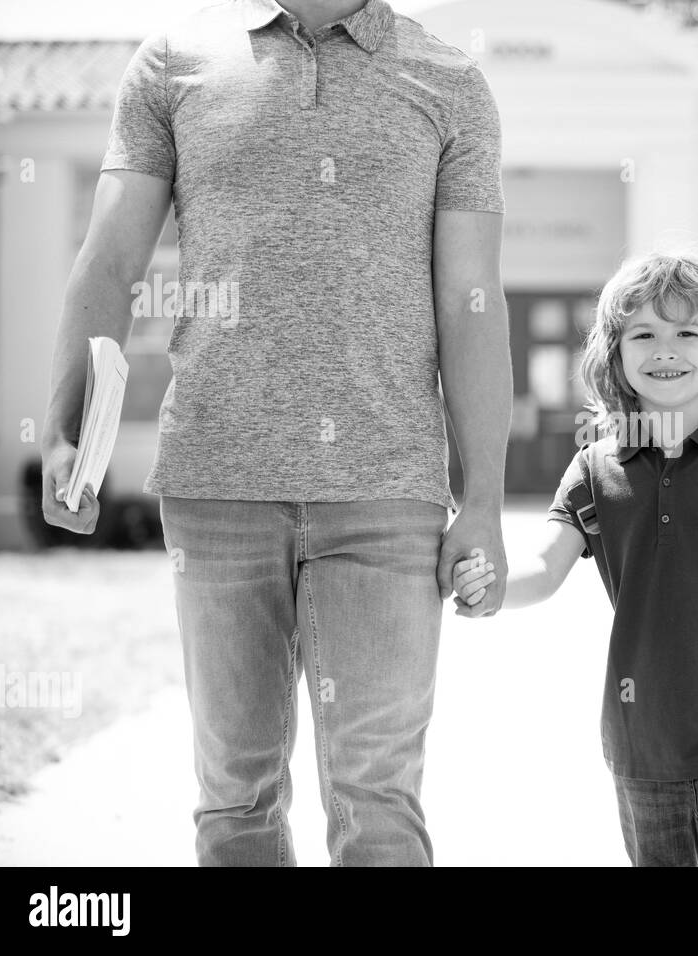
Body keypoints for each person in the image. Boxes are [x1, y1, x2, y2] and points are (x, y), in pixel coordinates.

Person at [39, 0, 512, 866]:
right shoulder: (175, 63)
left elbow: (470, 300)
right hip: (217, 484)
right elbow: (110, 261)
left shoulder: (450, 81)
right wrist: (68, 432)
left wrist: (481, 499)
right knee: (236, 796)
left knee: (377, 799)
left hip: (387, 488)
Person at [452, 251, 698, 866]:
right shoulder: (598, 467)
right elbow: (544, 569)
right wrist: (488, 587)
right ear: (614, 354)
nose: (665, 349)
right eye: (643, 333)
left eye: (687, 333)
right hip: (641, 744)